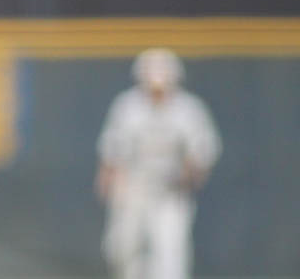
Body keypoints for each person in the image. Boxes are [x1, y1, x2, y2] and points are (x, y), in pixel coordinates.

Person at [95, 48, 222, 279]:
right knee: (120, 250)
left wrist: (190, 173)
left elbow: (202, 150)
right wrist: (108, 179)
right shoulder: (128, 106)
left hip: (169, 191)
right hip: (132, 188)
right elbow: (112, 150)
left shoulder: (187, 109)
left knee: (170, 256)